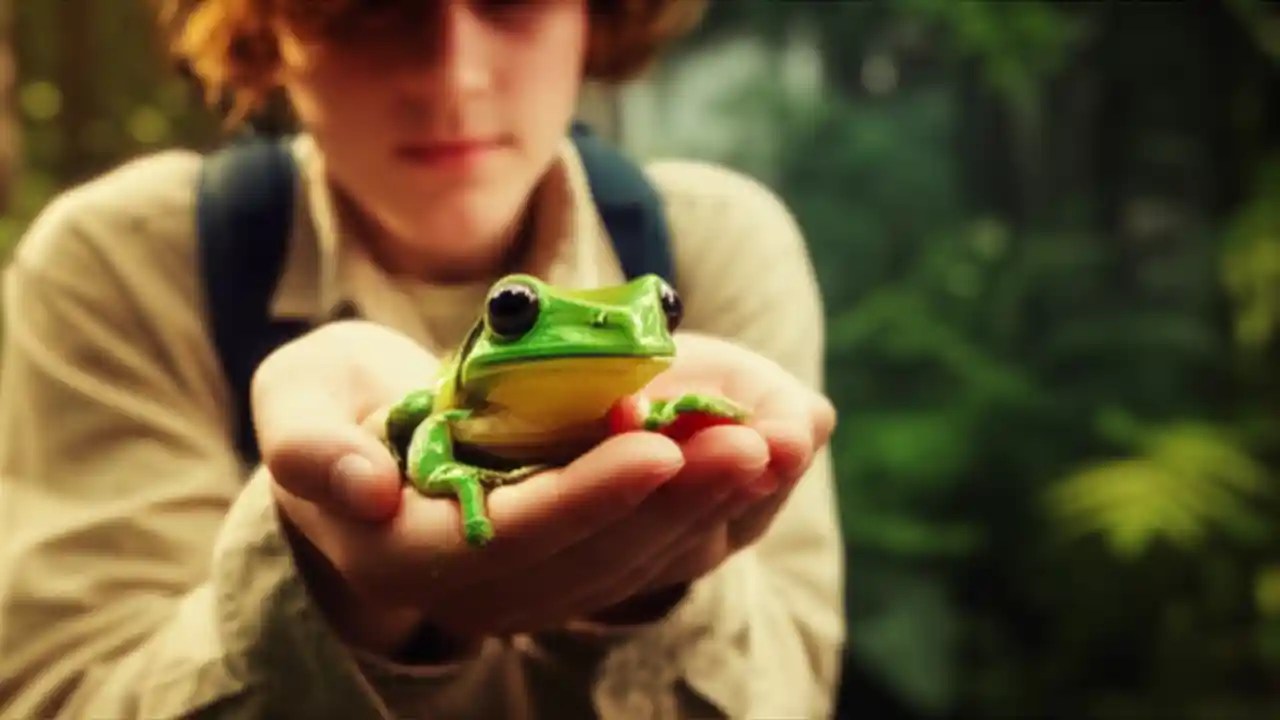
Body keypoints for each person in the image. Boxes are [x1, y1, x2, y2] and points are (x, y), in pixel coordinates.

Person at [0, 0, 846, 717]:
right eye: (371, 5)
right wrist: (324, 597)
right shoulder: (122, 259)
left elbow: (800, 685)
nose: (454, 76)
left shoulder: (718, 240)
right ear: (265, 24)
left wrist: (651, 588)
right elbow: (61, 691)